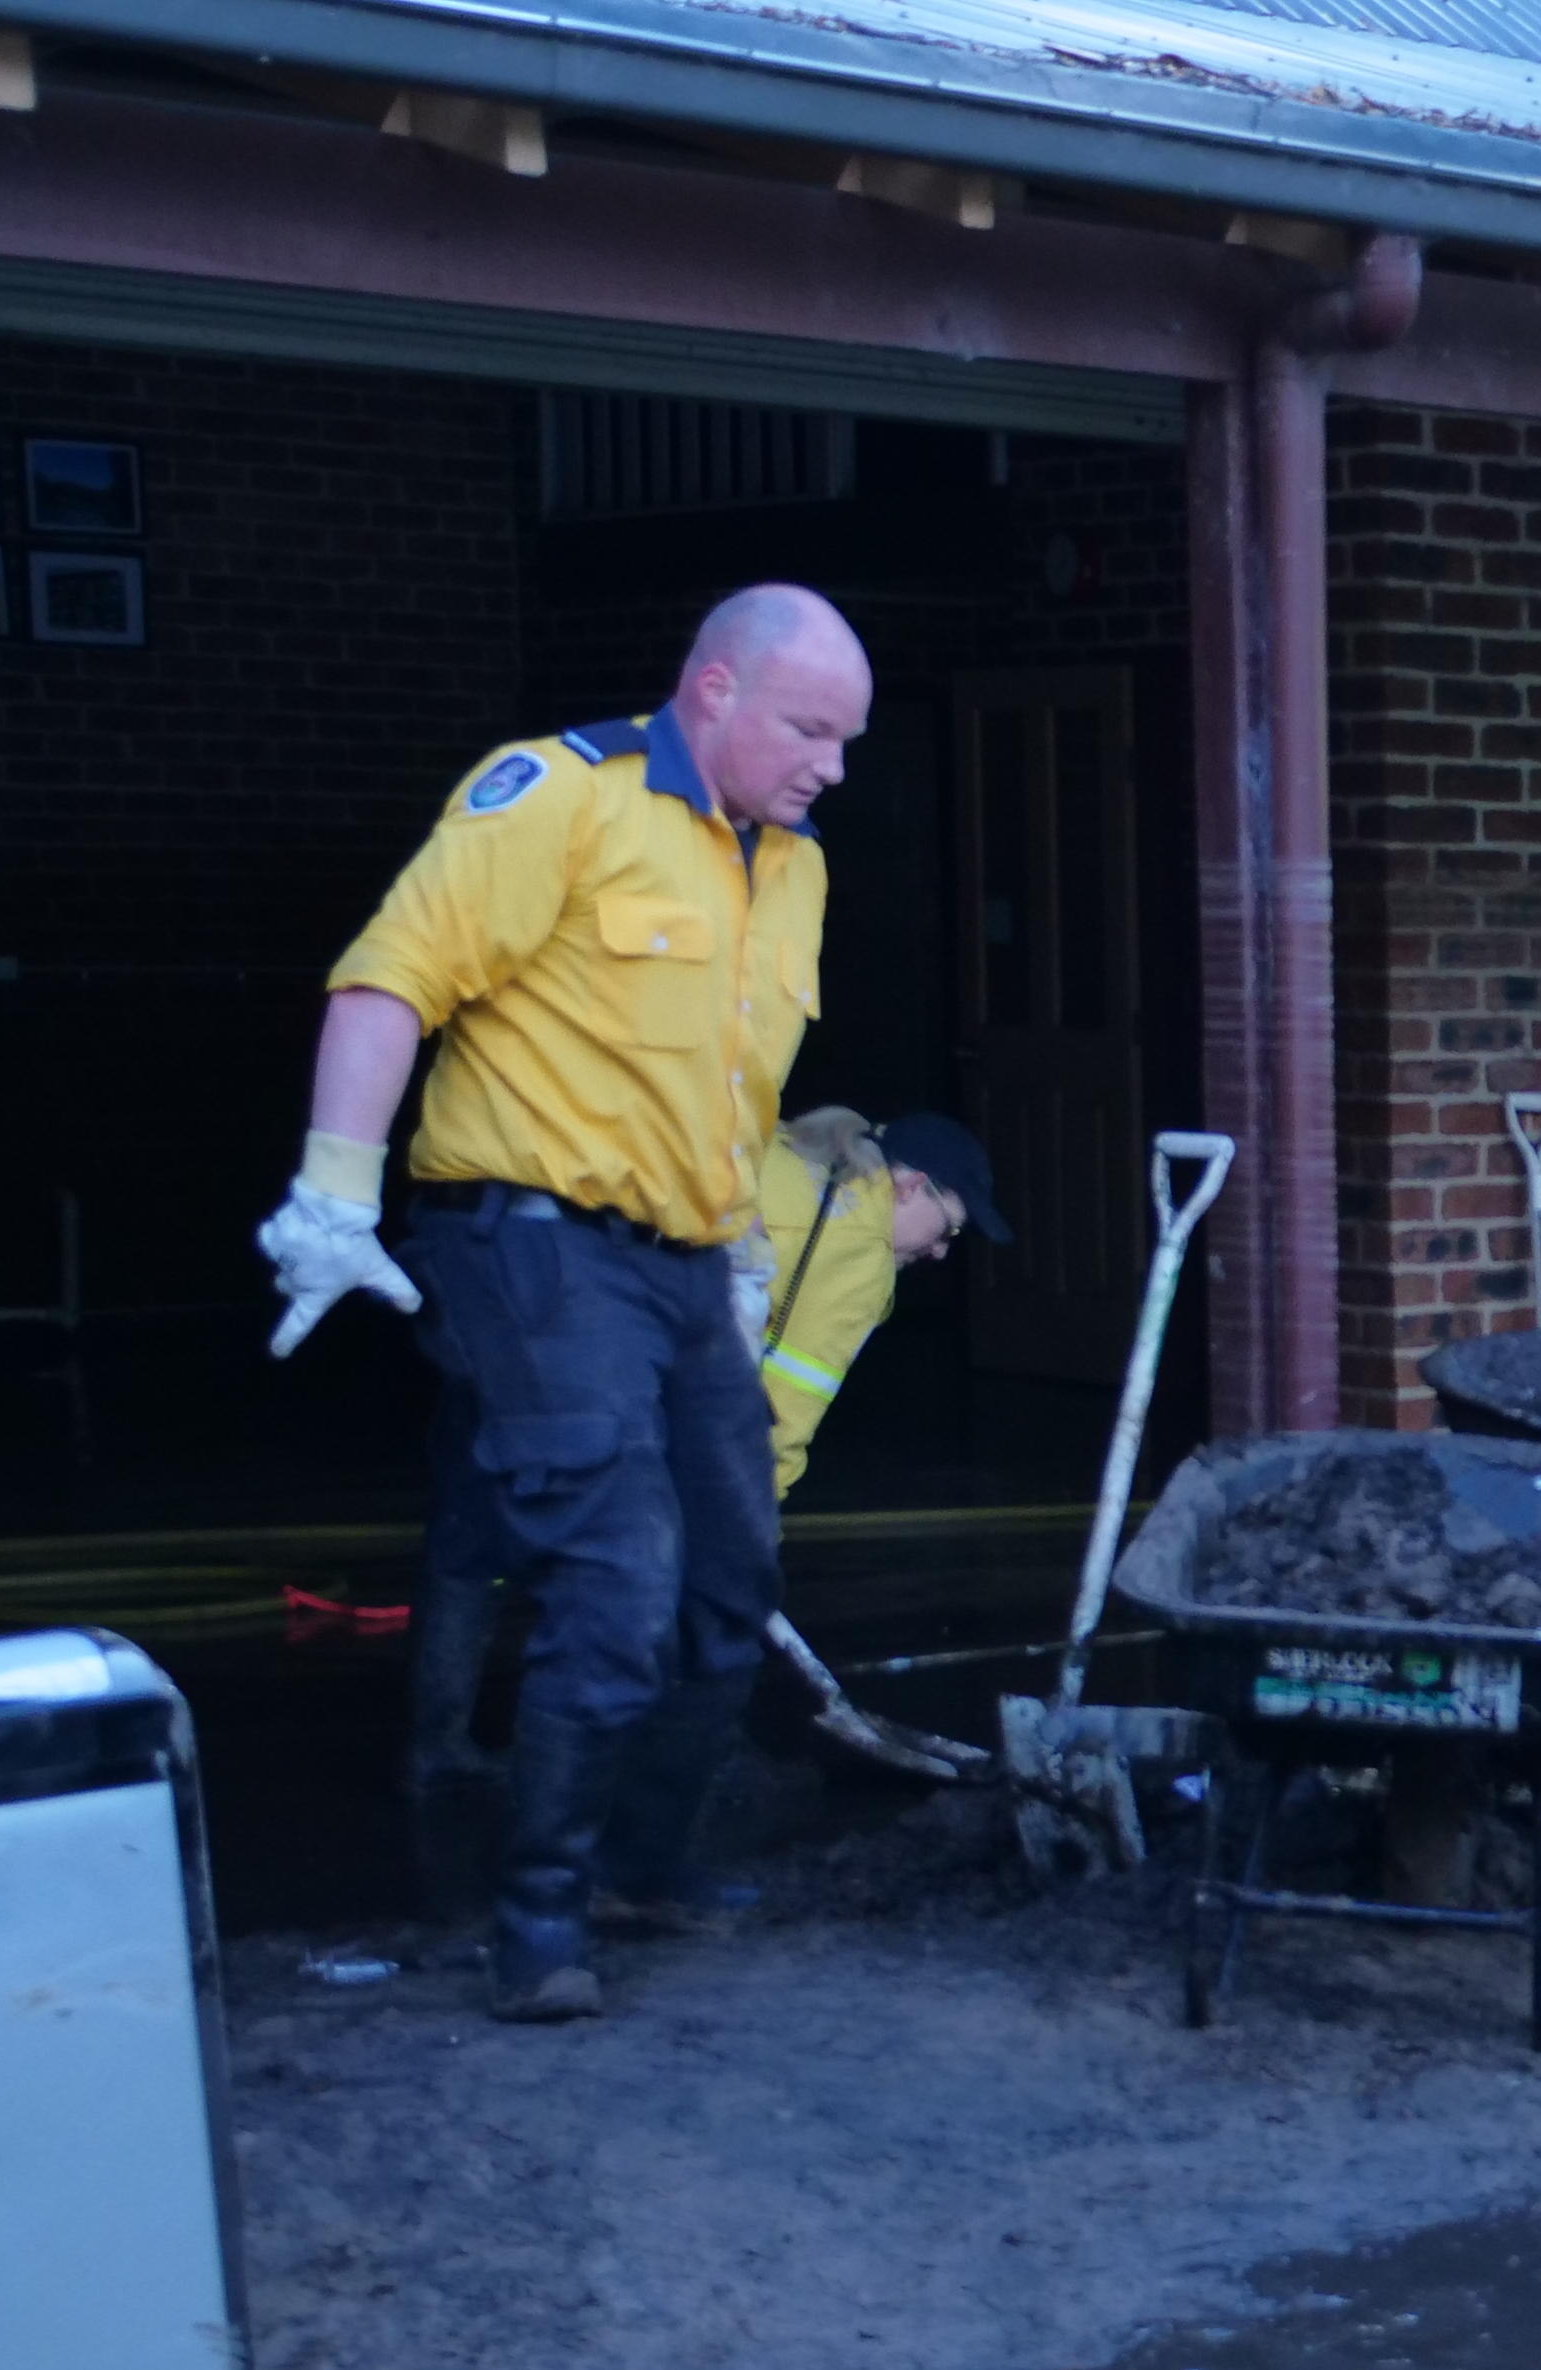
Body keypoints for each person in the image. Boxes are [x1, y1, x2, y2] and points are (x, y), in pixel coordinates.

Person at [262, 582, 869, 2023]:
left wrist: (733, 1252)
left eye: (848, 740)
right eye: (809, 729)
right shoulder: (560, 797)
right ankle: (535, 1919)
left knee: (732, 1581)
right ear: (711, 689)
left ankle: (647, 1864)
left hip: (678, 1261)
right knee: (618, 1576)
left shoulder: (794, 866)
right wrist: (332, 1195)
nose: (831, 766)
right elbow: (384, 985)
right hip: (532, 1246)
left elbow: (732, 1086)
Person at [748, 1105, 1004, 1499]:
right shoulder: (863, 1250)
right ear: (912, 1185)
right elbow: (782, 1416)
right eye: (949, 1229)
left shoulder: (786, 1149)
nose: (940, 1252)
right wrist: (755, 1525)